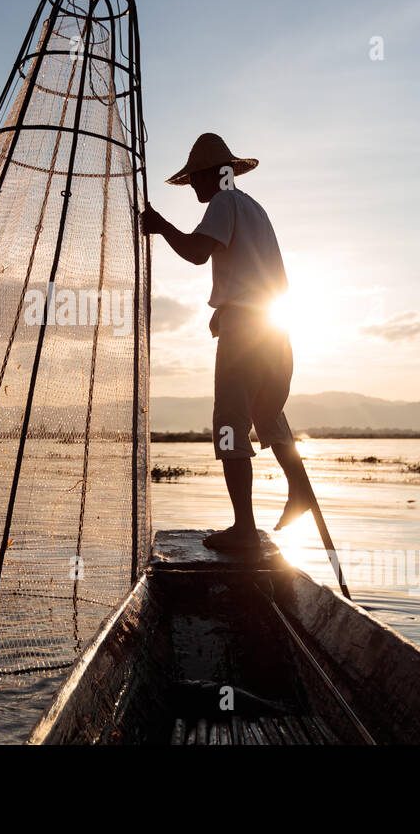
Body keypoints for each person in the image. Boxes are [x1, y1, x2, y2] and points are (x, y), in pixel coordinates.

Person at [141, 133, 318, 550]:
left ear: (210, 175)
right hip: (274, 331)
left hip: (247, 335)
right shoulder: (253, 207)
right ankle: (300, 488)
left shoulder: (223, 201)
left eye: (196, 180)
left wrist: (161, 226)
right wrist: (226, 310)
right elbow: (255, 274)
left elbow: (197, 252)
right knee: (266, 411)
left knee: (228, 425)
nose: (195, 189)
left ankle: (243, 529)